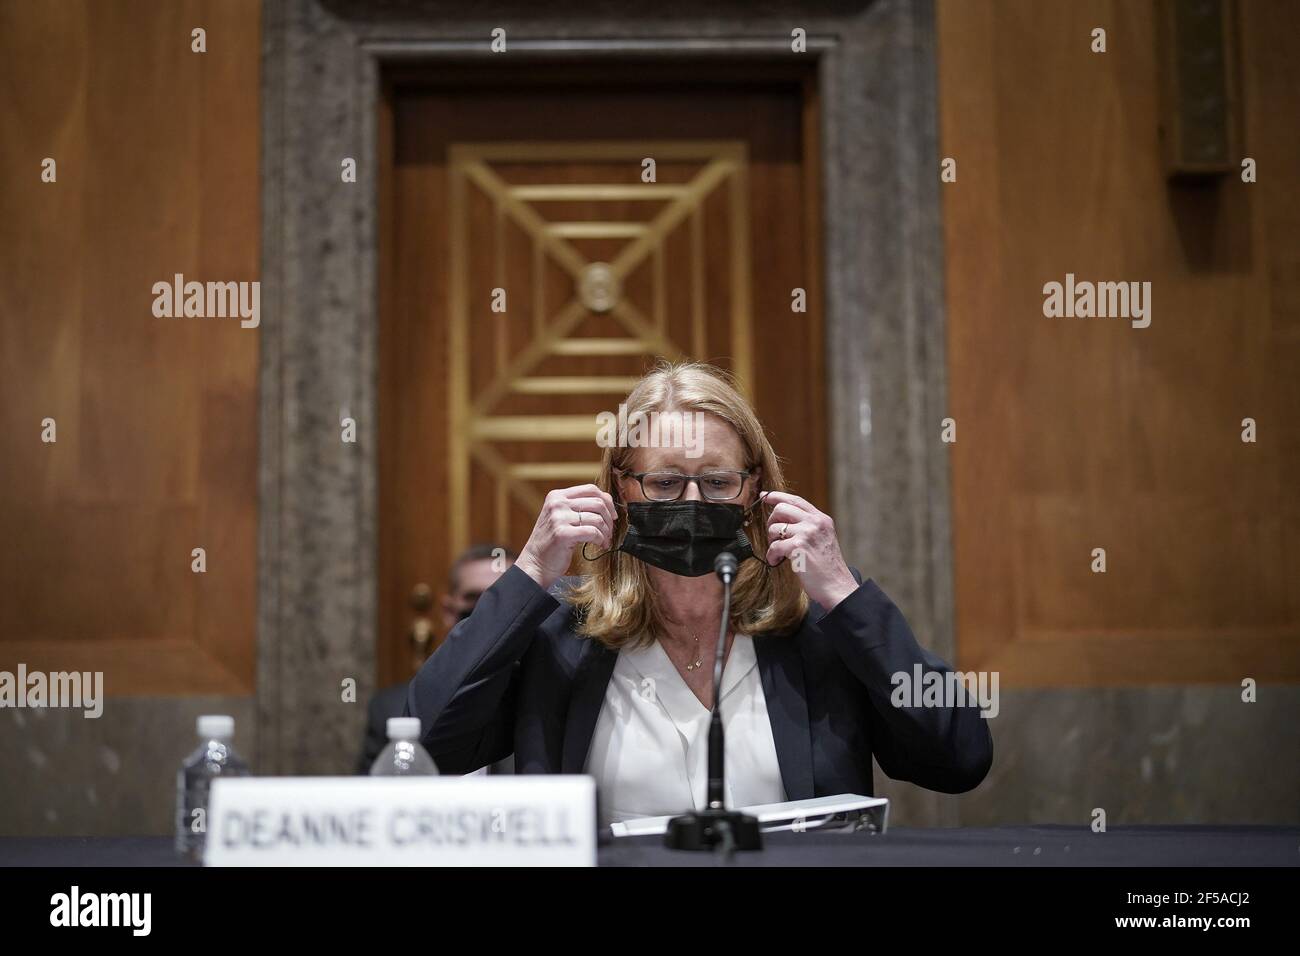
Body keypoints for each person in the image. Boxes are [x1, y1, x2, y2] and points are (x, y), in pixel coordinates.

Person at [407, 361, 992, 825]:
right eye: (663, 482)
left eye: (717, 482)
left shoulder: (819, 632)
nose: (690, 501)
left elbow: (958, 758)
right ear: (620, 488)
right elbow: (426, 748)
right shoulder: (560, 636)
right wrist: (531, 571)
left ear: (753, 488)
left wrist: (844, 592)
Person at [356, 544, 515, 774]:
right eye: (474, 598)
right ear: (449, 612)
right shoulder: (391, 709)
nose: (487, 614)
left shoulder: (544, 705)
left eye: (499, 599)